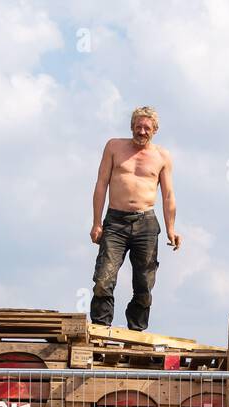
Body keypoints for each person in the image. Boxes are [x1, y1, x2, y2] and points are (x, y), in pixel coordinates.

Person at [88, 106, 180, 331]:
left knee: (144, 284)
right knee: (103, 279)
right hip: (115, 222)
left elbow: (168, 195)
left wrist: (171, 229)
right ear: (131, 127)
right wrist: (96, 222)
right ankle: (101, 327)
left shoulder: (162, 156)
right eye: (137, 127)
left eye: (146, 128)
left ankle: (136, 330)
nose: (141, 131)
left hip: (146, 223)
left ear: (154, 130)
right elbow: (101, 184)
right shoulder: (114, 147)